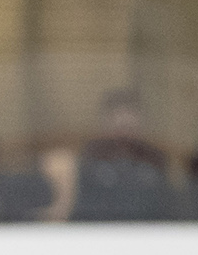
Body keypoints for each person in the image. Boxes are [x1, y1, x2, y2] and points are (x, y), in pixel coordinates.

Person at [69, 89, 176, 222]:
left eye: (130, 126)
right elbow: (82, 208)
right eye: (120, 125)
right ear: (106, 123)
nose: (125, 134)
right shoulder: (92, 156)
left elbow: (166, 209)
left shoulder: (154, 158)